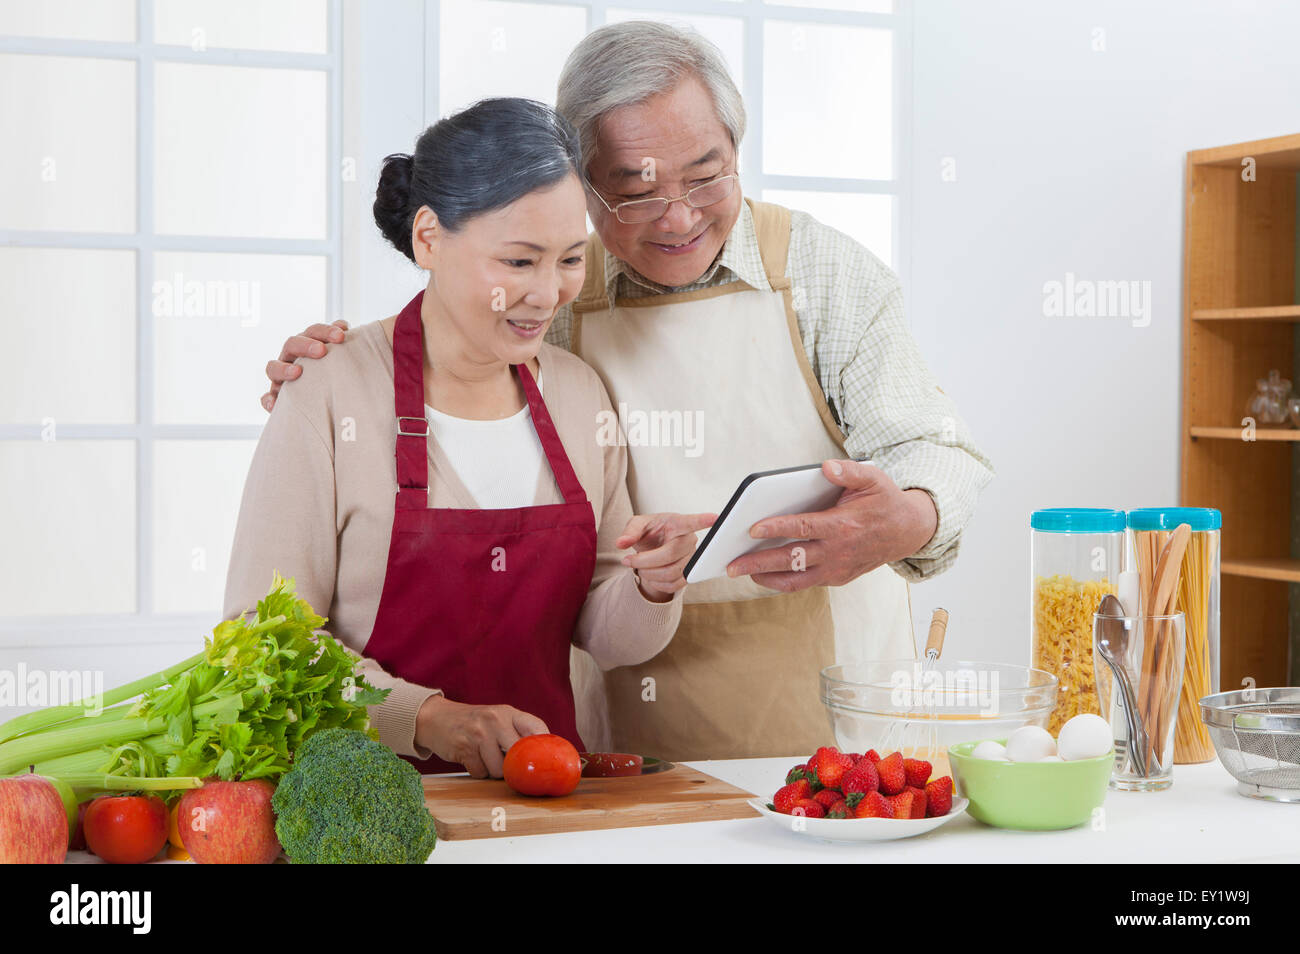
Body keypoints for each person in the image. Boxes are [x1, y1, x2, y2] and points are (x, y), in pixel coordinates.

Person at [259, 22, 995, 761]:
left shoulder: (823, 276)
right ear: (581, 185)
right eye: (635, 190)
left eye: (706, 176)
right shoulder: (555, 306)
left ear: (737, 150)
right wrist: (332, 384)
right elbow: (452, 337)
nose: (679, 217)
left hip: (836, 729)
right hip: (619, 748)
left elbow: (933, 445)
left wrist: (904, 519)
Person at [224, 97, 711, 778]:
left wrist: (654, 585)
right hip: (366, 806)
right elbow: (260, 642)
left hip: (545, 799)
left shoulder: (576, 394)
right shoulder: (327, 391)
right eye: (518, 262)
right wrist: (425, 718)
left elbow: (604, 634)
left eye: (571, 259)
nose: (548, 293)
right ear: (429, 238)